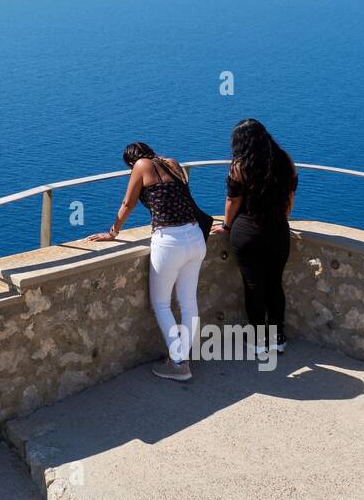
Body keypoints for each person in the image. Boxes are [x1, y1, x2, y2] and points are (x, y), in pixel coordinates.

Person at [90, 142, 207, 381]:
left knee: (161, 304)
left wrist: (113, 232)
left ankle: (178, 363)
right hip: (194, 236)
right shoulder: (173, 163)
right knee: (188, 303)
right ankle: (182, 355)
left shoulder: (141, 166)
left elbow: (128, 203)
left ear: (131, 162)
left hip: (170, 241)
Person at [213, 119, 298, 356]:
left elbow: (233, 201)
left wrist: (226, 225)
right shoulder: (285, 161)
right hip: (278, 231)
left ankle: (258, 341)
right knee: (274, 283)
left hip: (247, 232)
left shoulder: (239, 167)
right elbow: (290, 196)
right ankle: (278, 338)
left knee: (253, 286)